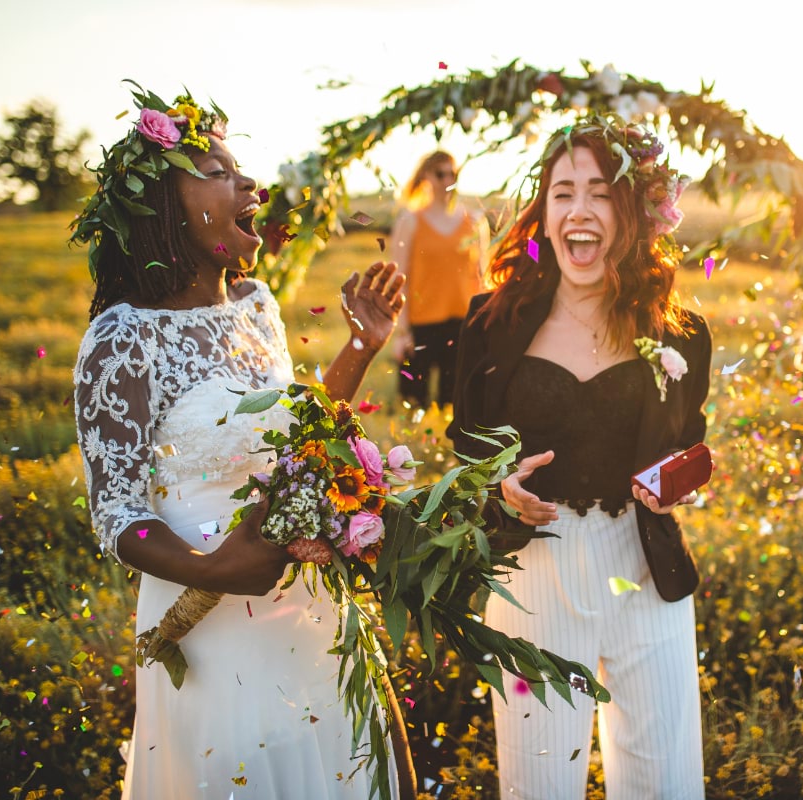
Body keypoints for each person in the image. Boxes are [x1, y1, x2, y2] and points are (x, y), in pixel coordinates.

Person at [70, 85, 415, 799]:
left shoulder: (257, 307)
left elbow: (295, 443)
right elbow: (116, 514)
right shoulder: (122, 339)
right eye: (221, 173)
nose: (250, 184)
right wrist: (215, 568)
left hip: (306, 602)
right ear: (164, 204)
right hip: (208, 629)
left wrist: (360, 347)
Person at [447, 118, 710, 799]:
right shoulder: (489, 326)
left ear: (633, 214)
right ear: (544, 211)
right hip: (534, 570)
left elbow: (687, 439)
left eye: (600, 192)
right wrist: (499, 487)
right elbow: (466, 450)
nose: (580, 210)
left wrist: (676, 477)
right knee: (540, 777)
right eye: (563, 193)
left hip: (643, 568)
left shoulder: (681, 334)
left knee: (663, 775)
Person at [389, 151, 486, 409]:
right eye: (440, 174)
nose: (447, 180)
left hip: (461, 324)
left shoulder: (474, 221)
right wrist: (401, 332)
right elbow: (399, 280)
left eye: (453, 174)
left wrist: (482, 331)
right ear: (426, 177)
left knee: (453, 407)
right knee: (412, 405)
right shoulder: (410, 221)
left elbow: (481, 277)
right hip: (420, 325)